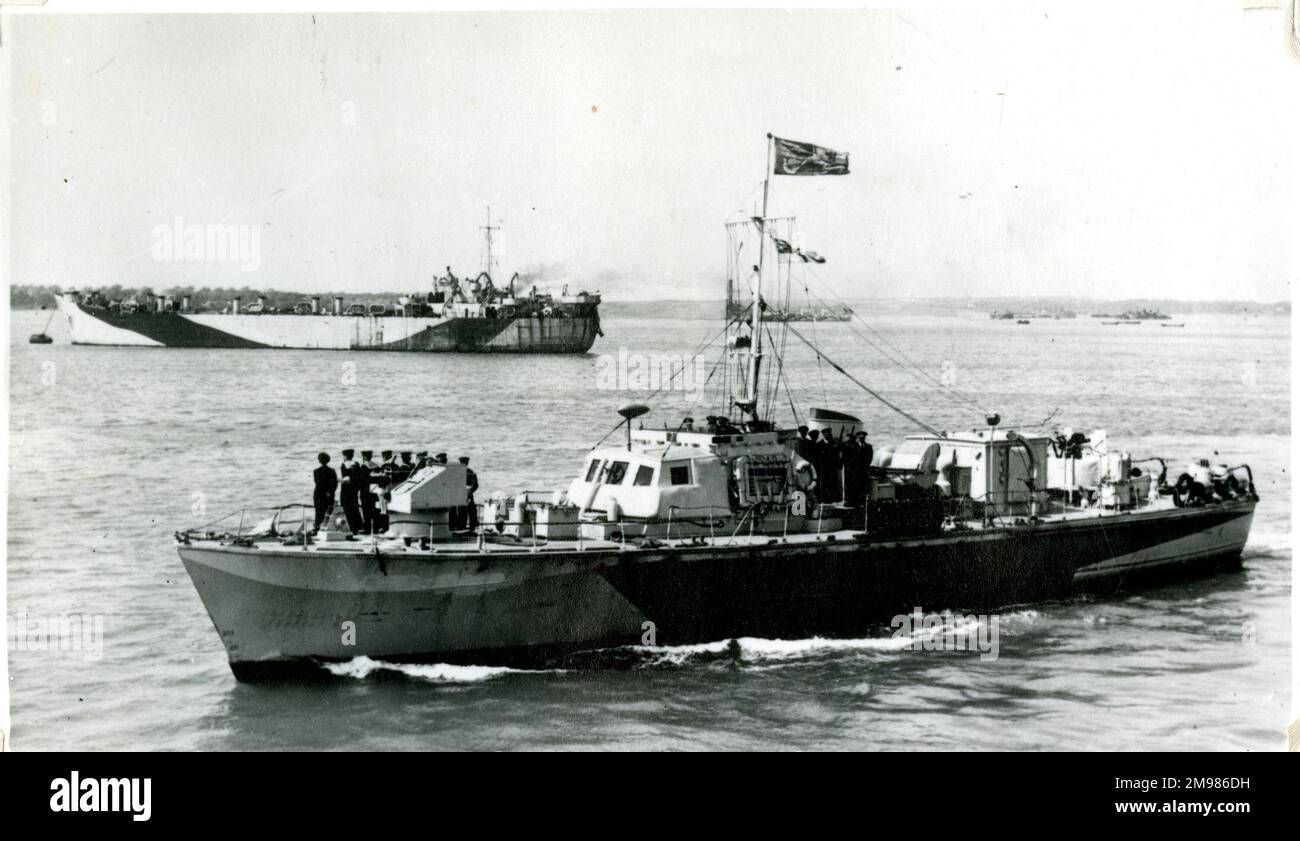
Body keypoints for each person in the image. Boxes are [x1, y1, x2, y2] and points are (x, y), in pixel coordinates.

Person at [339, 448, 364, 533]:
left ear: (345, 456)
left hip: (346, 490)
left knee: (347, 508)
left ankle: (352, 527)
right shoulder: (356, 464)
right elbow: (359, 477)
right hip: (354, 489)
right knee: (355, 508)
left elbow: (344, 477)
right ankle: (359, 526)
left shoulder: (343, 465)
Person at [312, 453, 338, 531]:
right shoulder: (332, 471)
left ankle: (317, 528)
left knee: (318, 512)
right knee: (328, 512)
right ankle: (326, 527)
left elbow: (318, 483)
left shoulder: (316, 471)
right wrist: (329, 492)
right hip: (329, 495)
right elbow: (335, 484)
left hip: (319, 494)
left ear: (319, 461)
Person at [359, 450, 379, 534]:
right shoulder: (376, 466)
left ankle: (367, 529)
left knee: (366, 511)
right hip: (375, 491)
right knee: (375, 511)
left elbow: (361, 481)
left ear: (363, 457)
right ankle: (376, 528)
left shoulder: (363, 467)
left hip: (366, 492)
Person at [461, 456, 479, 531]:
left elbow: (475, 485)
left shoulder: (471, 472)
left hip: (467, 494)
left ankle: (470, 526)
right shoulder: (470, 472)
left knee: (471, 510)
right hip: (464, 493)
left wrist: (470, 491)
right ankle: (463, 526)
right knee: (464, 511)